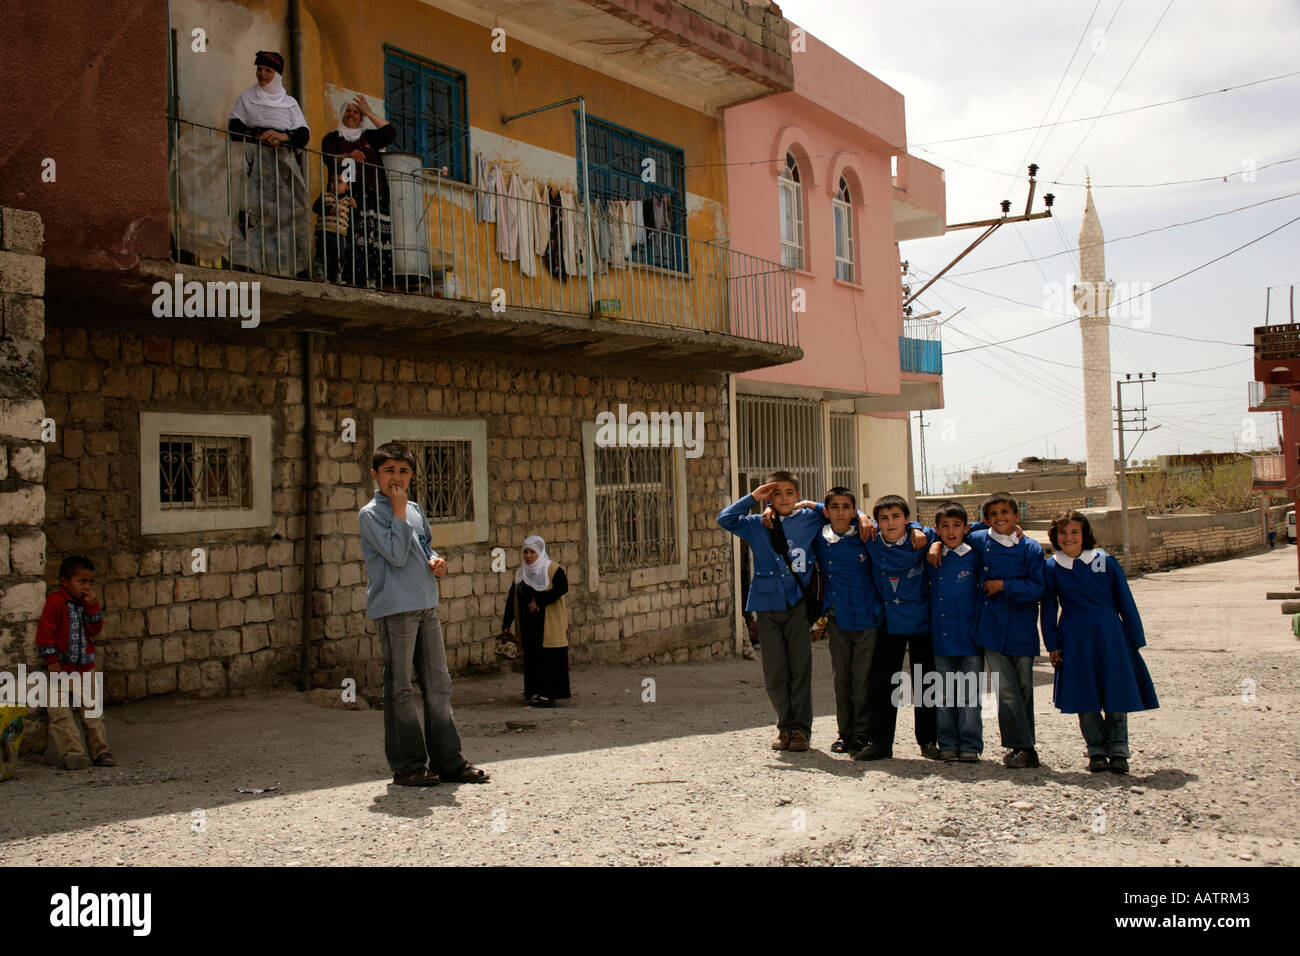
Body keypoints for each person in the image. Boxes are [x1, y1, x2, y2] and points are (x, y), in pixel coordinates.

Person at [359, 443, 489, 787]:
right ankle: (409, 766)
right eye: (389, 471)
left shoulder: (415, 509)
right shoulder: (371, 514)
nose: (396, 478)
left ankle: (449, 761)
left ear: (412, 475)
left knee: (438, 685)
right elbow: (397, 556)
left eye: (403, 471)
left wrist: (436, 559)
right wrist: (398, 511)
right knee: (400, 688)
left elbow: (423, 546)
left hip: (425, 604)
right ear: (375, 476)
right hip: (394, 609)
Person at [1041, 510, 1159, 774]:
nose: (1069, 537)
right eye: (1063, 532)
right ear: (1055, 536)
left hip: (1111, 636)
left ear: (1085, 534)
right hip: (1074, 638)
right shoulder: (1051, 567)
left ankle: (1118, 750)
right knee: (1085, 695)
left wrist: (1134, 639)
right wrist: (1052, 644)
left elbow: (1125, 601)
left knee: (1116, 691)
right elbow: (1048, 609)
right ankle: (1095, 750)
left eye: (1075, 532)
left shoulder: (1105, 562)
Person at [716, 472, 825, 752]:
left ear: (797, 495)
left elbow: (842, 514)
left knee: (800, 668)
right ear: (769, 496)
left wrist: (813, 505)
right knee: (775, 671)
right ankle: (784, 726)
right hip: (766, 605)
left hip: (797, 603)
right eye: (777, 494)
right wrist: (754, 498)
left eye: (790, 493)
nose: (784, 499)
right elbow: (725, 519)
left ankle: (801, 730)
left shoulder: (810, 518)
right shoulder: (756, 524)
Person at [967, 493, 1045, 769]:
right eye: (994, 514)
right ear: (986, 519)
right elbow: (954, 530)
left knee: (1024, 689)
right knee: (1006, 690)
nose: (1001, 518)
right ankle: (1021, 747)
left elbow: (1038, 587)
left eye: (1006, 512)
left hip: (1022, 630)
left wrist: (1004, 586)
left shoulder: (1031, 549)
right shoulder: (980, 541)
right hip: (991, 629)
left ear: (1017, 515)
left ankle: (1025, 746)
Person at [858, 495, 940, 761]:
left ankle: (928, 741)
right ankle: (881, 743)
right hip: (889, 622)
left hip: (922, 621)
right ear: (876, 522)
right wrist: (861, 515)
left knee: (926, 681)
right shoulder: (871, 540)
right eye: (883, 518)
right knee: (884, 683)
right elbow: (834, 509)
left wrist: (932, 539)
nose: (890, 522)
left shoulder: (922, 538)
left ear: (907, 519)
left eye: (896, 516)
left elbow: (966, 528)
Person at [811, 488, 881, 756]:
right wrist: (809, 502)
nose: (841, 512)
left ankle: (862, 734)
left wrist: (864, 517)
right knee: (842, 679)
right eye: (835, 507)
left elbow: (900, 526)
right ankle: (845, 733)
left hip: (867, 619)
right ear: (828, 512)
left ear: (854, 510)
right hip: (838, 619)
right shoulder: (821, 537)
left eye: (847, 507)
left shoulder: (866, 535)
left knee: (862, 680)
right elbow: (811, 511)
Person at [228, 51, 311, 277]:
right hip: (253, 162)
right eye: (259, 69)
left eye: (268, 70)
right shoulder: (247, 97)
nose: (262, 74)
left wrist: (282, 137)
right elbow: (234, 127)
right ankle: (252, 264)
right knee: (253, 212)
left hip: (282, 165)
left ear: (277, 75)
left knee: (284, 215)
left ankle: (285, 268)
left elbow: (303, 135)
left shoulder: (289, 103)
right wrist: (262, 136)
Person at [37, 557, 115, 770]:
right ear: (65, 581)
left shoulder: (86, 604)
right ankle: (73, 753)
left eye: (89, 582)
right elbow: (45, 634)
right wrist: (51, 661)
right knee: (60, 714)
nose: (86, 587)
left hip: (85, 669)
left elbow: (95, 631)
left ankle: (101, 751)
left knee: (92, 712)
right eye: (81, 582)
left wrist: (92, 608)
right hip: (60, 668)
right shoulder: (55, 602)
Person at [925, 502, 984, 762]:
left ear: (966, 528)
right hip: (941, 636)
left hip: (970, 636)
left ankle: (970, 744)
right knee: (944, 693)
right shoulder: (931, 555)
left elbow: (989, 529)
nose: (951, 532)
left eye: (956, 526)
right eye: (945, 527)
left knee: (970, 693)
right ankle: (947, 741)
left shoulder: (975, 553)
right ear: (937, 529)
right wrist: (934, 544)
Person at [320, 95, 397, 287]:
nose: (351, 114)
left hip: (374, 196)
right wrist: (348, 156)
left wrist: (368, 111)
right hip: (349, 195)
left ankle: (374, 280)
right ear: (342, 114)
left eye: (356, 112)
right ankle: (351, 277)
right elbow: (329, 158)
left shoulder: (369, 137)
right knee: (351, 235)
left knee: (374, 236)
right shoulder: (332, 138)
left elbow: (390, 132)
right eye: (348, 110)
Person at [501, 536, 571, 707]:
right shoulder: (520, 574)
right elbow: (512, 599)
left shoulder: (552, 569)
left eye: (532, 552)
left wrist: (541, 601)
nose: (528, 556)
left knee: (549, 657)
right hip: (528, 624)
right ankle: (534, 691)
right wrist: (506, 623)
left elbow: (562, 588)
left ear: (540, 552)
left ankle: (549, 694)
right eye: (525, 552)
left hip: (548, 623)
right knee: (532, 657)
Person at [312, 166, 358, 284]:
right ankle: (321, 275)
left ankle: (336, 277)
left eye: (339, 182)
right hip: (323, 231)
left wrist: (355, 206)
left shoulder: (348, 201)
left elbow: (355, 216)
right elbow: (315, 207)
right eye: (332, 181)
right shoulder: (325, 196)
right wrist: (329, 209)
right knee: (323, 254)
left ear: (347, 186)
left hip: (340, 234)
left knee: (338, 256)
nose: (335, 185)